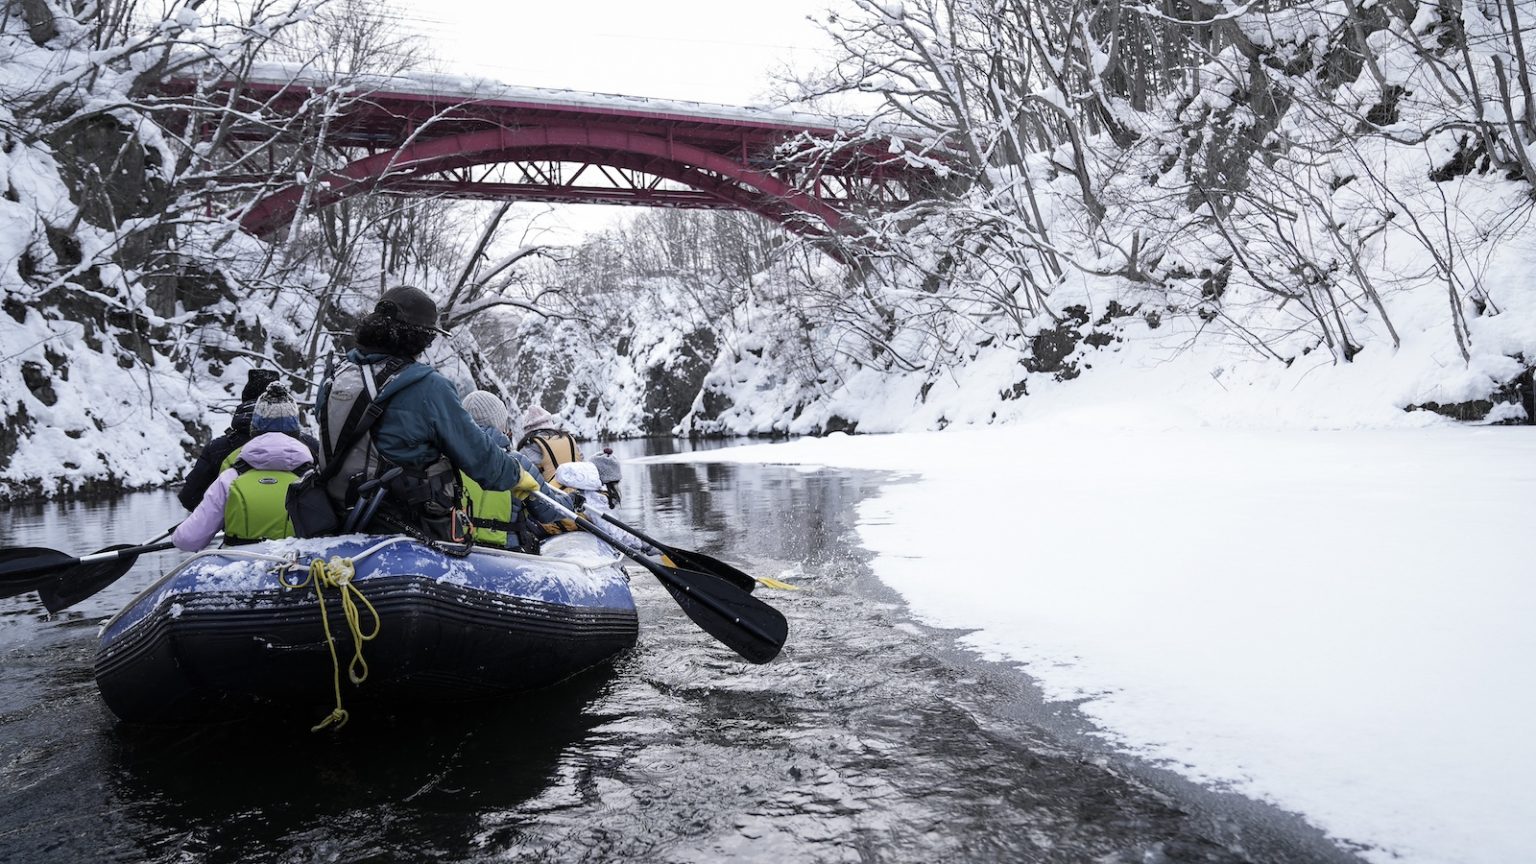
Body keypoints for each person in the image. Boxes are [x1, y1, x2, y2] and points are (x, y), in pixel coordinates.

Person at [314, 286, 538, 546]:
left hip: (337, 518)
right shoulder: (427, 387)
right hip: (403, 526)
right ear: (420, 338)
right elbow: (480, 458)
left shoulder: (335, 377)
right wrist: (516, 475)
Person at [172, 384, 314, 551]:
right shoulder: (312, 479)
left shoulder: (229, 478)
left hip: (239, 564)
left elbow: (187, 540)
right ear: (297, 433)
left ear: (254, 430)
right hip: (295, 566)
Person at [459, 390, 575, 551]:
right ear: (500, 423)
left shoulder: (447, 459)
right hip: (507, 553)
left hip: (459, 547)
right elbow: (547, 512)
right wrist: (573, 501)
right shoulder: (516, 463)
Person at [178, 368, 278, 510]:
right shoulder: (306, 446)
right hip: (294, 531)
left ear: (245, 401)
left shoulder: (217, 449)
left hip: (240, 530)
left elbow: (189, 498)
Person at [552, 461, 650, 553]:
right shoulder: (592, 496)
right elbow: (613, 532)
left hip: (545, 528)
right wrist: (643, 544)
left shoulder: (566, 481)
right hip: (555, 532)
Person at [517, 405, 582, 482]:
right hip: (579, 489)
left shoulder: (527, 447)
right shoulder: (569, 439)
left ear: (527, 429)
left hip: (551, 493)